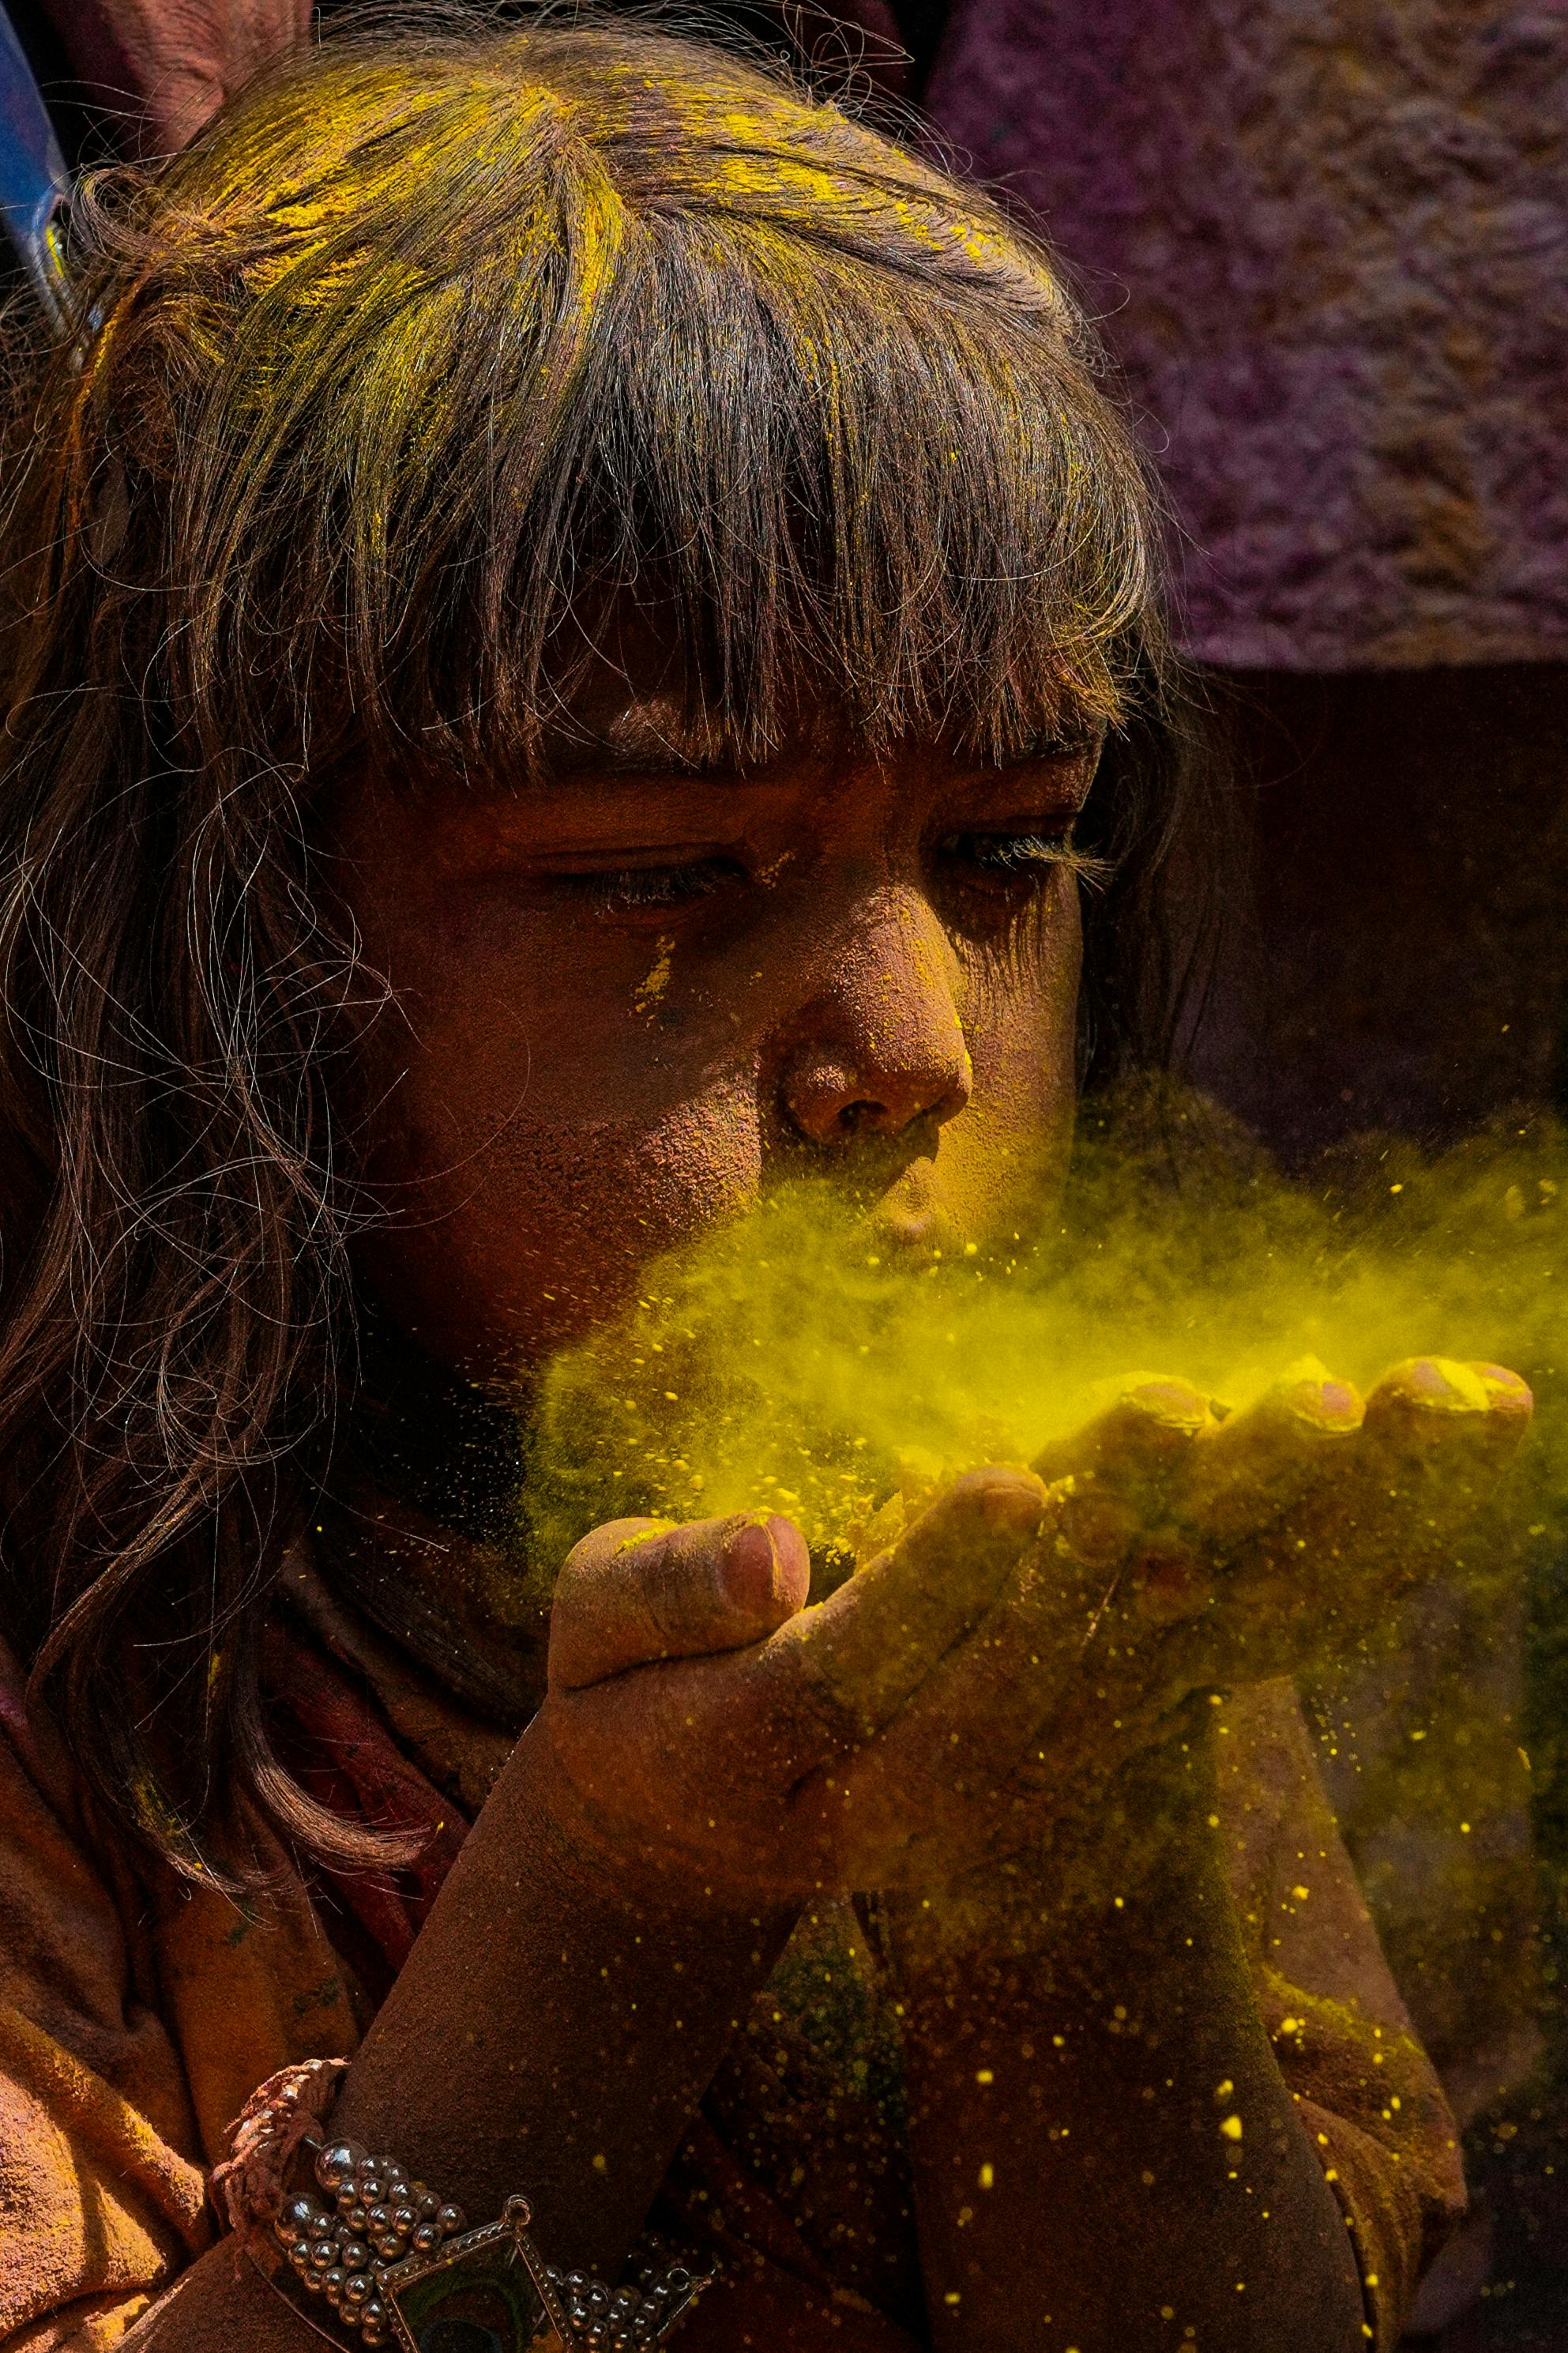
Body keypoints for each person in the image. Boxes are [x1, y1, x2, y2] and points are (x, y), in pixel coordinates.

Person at [0, 15, 1533, 2351]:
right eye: (665, 875)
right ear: (230, 949)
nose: (909, 1053)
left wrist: (1045, 1827)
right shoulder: (67, 1656)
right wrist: (622, 1888)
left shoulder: (1052, 1579)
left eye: (1006, 846)